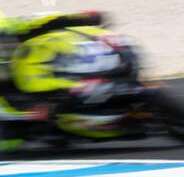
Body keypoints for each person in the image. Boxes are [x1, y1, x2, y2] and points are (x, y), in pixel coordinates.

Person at [0, 10, 110, 152]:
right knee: (9, 145)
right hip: (10, 105)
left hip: (36, 75)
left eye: (3, 38)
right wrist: (26, 114)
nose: (3, 46)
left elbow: (48, 18)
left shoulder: (15, 24)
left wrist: (83, 17)